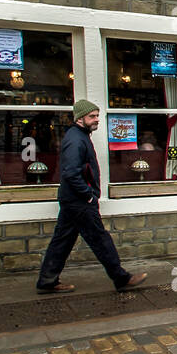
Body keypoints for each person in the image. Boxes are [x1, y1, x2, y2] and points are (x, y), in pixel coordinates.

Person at [37, 100, 148, 294]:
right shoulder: (75, 139)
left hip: (72, 200)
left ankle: (47, 279)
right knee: (99, 238)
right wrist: (88, 194)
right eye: (92, 116)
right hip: (79, 201)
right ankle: (121, 278)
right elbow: (71, 172)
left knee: (62, 239)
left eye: (97, 115)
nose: (96, 120)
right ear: (80, 118)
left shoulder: (79, 136)